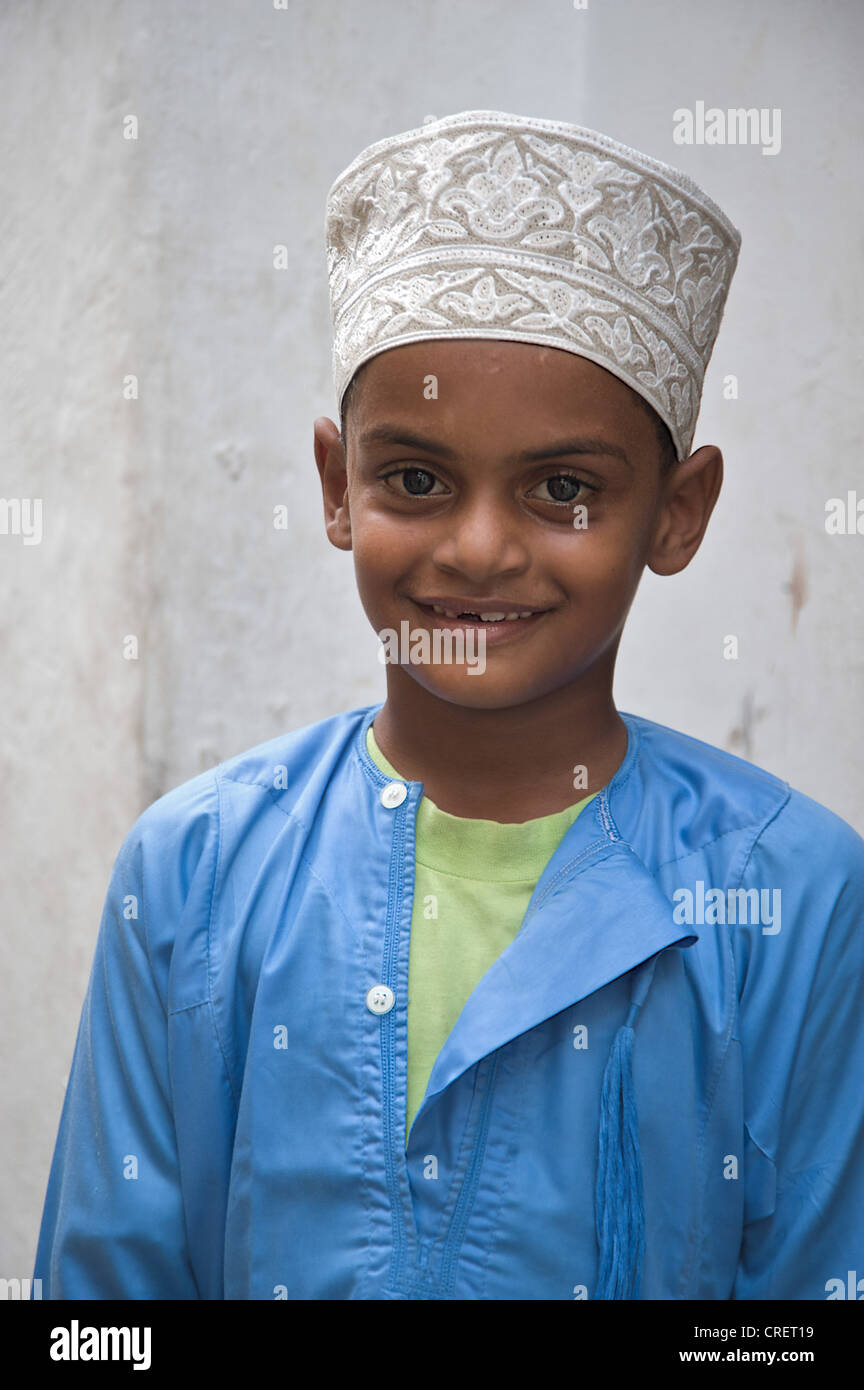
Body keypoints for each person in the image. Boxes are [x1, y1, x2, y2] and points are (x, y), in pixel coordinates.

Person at [33, 109, 864, 1300]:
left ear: (677, 512)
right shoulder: (194, 872)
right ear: (336, 486)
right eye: (416, 479)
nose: (479, 549)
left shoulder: (793, 893)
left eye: (563, 488)